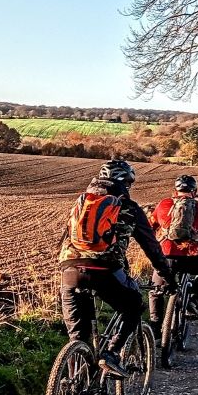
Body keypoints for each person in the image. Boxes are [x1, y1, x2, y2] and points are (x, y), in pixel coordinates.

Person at [58, 159, 175, 378]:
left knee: (78, 337)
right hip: (105, 270)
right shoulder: (129, 207)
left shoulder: (81, 203)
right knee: (133, 306)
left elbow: (65, 240)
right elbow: (151, 246)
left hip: (70, 271)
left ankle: (76, 386)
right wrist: (166, 275)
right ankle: (110, 353)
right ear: (126, 183)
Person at [148, 174, 198, 332]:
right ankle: (193, 300)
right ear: (195, 191)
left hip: (166, 257)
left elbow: (150, 227)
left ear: (175, 190)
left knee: (156, 290)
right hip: (191, 258)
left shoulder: (163, 204)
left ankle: (155, 327)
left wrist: (153, 249)